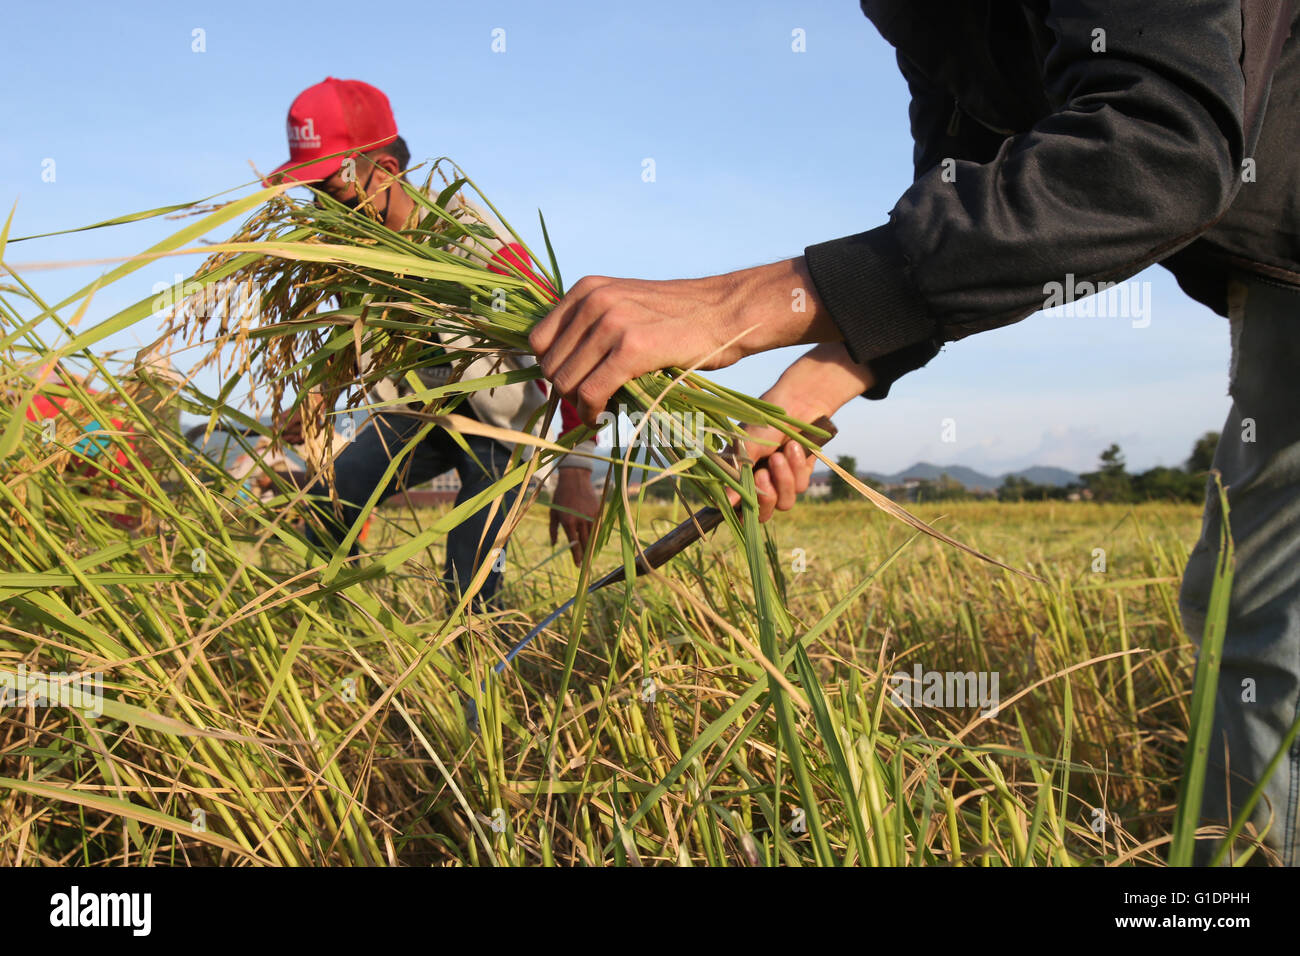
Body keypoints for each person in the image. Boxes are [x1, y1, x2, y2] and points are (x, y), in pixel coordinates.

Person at [529, 4, 1300, 865]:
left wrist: (743, 303)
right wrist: (800, 399)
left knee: (1259, 618)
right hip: (1272, 263)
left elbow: (1158, 148)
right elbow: (962, 200)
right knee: (1252, 600)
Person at [264, 77, 601, 606]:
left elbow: (571, 342)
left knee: (470, 569)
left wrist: (577, 470)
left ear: (386, 173)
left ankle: (475, 665)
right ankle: (332, 621)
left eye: (332, 191)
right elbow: (352, 341)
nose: (324, 209)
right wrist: (315, 396)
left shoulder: (477, 243)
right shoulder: (357, 250)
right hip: (420, 417)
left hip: (501, 428)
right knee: (328, 497)